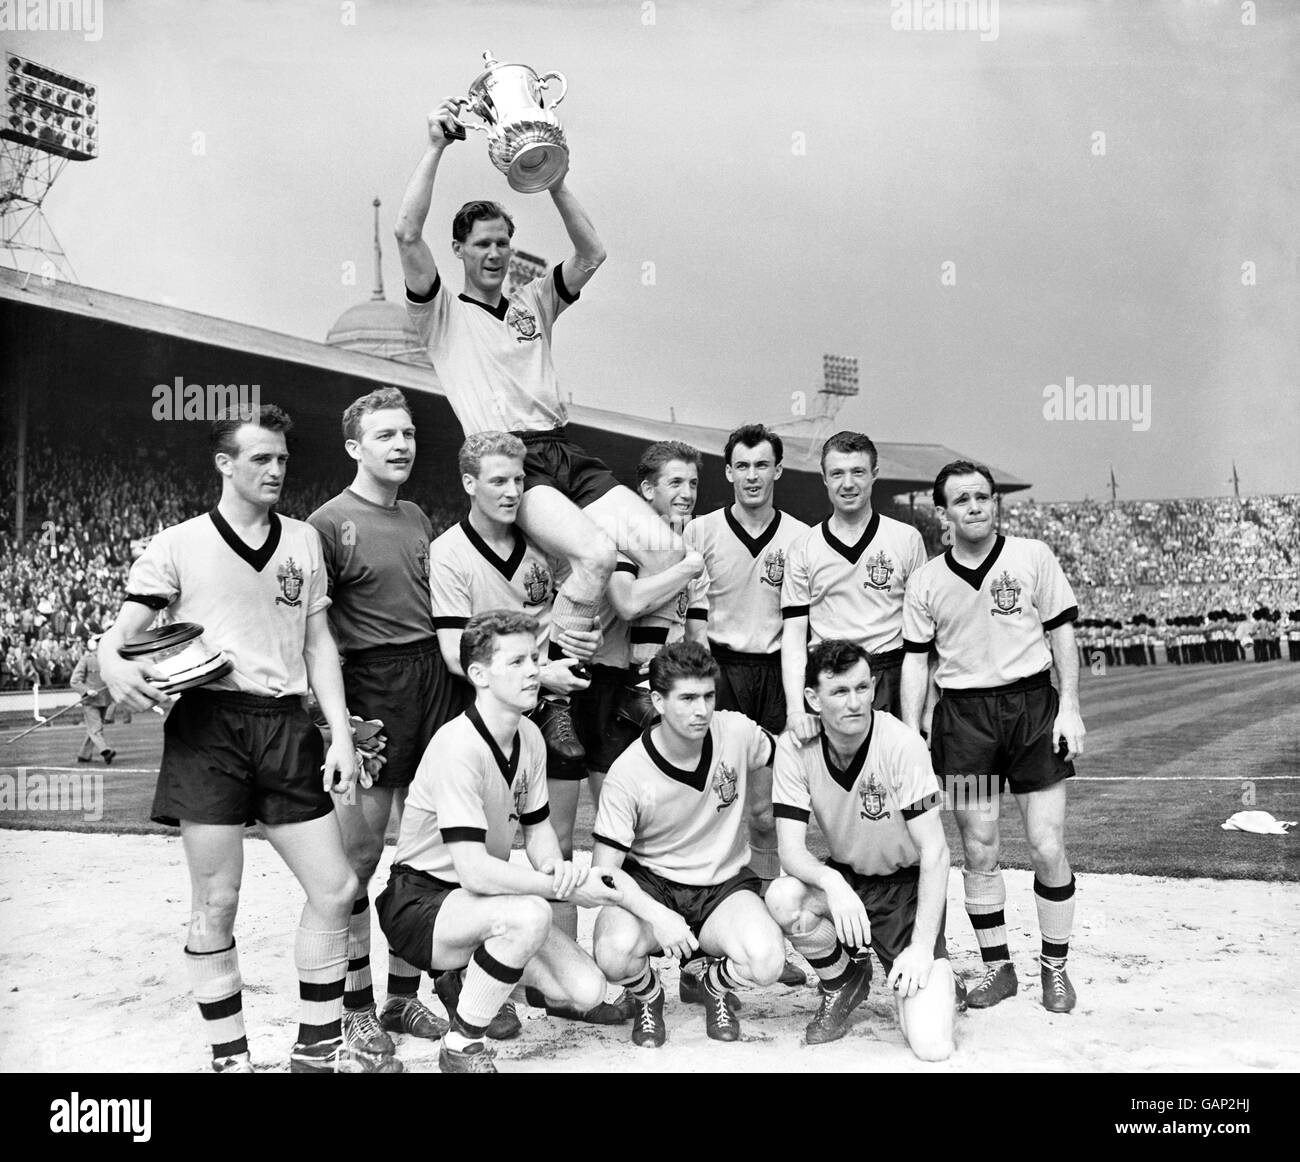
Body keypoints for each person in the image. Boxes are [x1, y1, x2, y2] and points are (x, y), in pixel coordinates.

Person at [98, 405, 398, 1073]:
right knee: (217, 899)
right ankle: (230, 1058)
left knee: (336, 885)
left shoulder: (301, 540)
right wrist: (112, 658)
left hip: (288, 723)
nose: (275, 470)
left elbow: (321, 645)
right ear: (225, 464)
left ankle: (315, 1049)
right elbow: (120, 637)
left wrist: (343, 738)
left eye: (283, 459)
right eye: (260, 458)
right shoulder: (177, 543)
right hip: (210, 728)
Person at [394, 98, 687, 683]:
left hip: (565, 448)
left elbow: (593, 254)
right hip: (513, 461)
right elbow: (406, 233)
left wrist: (552, 179)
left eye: (503, 241)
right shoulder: (442, 314)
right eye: (481, 243)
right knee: (599, 556)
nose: (496, 253)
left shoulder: (533, 299)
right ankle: (556, 677)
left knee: (669, 552)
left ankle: (629, 656)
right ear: (459, 251)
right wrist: (435, 148)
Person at [430, 432, 628, 1027]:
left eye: (519, 480)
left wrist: (580, 641)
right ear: (469, 484)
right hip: (491, 711)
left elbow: (579, 609)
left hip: (551, 711)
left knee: (556, 844)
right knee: (481, 851)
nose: (513, 491)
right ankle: (465, 978)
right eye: (498, 480)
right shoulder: (450, 552)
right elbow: (451, 652)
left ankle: (552, 989)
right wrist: (544, 673)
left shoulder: (541, 547)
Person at [375, 610, 623, 1073]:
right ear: (478, 675)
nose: (534, 670)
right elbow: (473, 870)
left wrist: (555, 867)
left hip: (479, 900)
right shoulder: (458, 746)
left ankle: (467, 976)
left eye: (535, 657)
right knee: (530, 913)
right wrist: (560, 889)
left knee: (587, 990)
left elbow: (537, 828)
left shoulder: (529, 734)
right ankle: (461, 1044)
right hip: (422, 902)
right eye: (516, 662)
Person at [900, 460, 1085, 1014]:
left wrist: (1069, 707)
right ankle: (998, 968)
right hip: (965, 722)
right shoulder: (927, 579)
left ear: (995, 503)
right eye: (961, 500)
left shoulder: (1033, 556)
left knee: (1047, 844)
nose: (975, 507)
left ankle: (1055, 967)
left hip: (1031, 709)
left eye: (983, 497)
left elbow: (1062, 635)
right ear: (943, 513)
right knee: (979, 849)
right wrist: (911, 732)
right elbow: (915, 659)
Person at [307, 387, 456, 1062]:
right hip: (370, 684)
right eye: (386, 435)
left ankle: (402, 995)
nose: (401, 445)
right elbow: (313, 632)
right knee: (359, 857)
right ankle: (354, 1008)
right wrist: (335, 722)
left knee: (424, 849)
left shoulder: (420, 515)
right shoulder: (326, 522)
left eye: (409, 434)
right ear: (354, 448)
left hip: (431, 680)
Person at [766, 640, 956, 1059]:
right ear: (813, 699)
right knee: (783, 898)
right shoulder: (794, 748)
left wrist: (922, 948)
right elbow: (791, 853)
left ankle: (933, 969)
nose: (855, 703)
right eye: (839, 692)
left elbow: (937, 852)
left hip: (904, 891)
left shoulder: (902, 744)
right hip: (849, 881)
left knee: (931, 1045)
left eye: (862, 688)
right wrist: (832, 881)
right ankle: (842, 980)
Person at [591, 641, 786, 1047]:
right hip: (653, 885)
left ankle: (710, 983)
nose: (702, 710)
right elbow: (604, 875)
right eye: (688, 698)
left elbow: (785, 755)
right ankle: (648, 993)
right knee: (612, 953)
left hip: (722, 888)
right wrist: (659, 917)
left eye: (708, 696)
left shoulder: (734, 731)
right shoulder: (628, 772)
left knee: (767, 961)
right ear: (658, 701)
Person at [684, 424, 810, 971]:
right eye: (743, 466)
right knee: (710, 807)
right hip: (719, 673)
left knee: (763, 814)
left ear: (778, 471)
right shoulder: (701, 532)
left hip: (776, 675)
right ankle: (701, 937)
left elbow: (803, 626)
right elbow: (690, 620)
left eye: (764, 465)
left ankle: (763, 928)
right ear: (729, 472)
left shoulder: (801, 537)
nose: (753, 475)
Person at [781, 431, 927, 742]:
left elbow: (925, 636)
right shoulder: (804, 547)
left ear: (875, 474)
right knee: (837, 782)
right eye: (837, 473)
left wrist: (924, 710)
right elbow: (793, 635)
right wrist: (796, 709)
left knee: (895, 782)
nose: (848, 483)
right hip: (831, 674)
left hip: (890, 673)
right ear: (824, 478)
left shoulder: (906, 539)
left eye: (858, 472)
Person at [70, 634, 115, 765]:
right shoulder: (86, 659)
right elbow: (74, 681)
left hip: (104, 700)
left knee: (93, 729)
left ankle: (84, 755)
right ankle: (105, 751)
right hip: (90, 701)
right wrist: (86, 690)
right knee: (96, 728)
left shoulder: (109, 660)